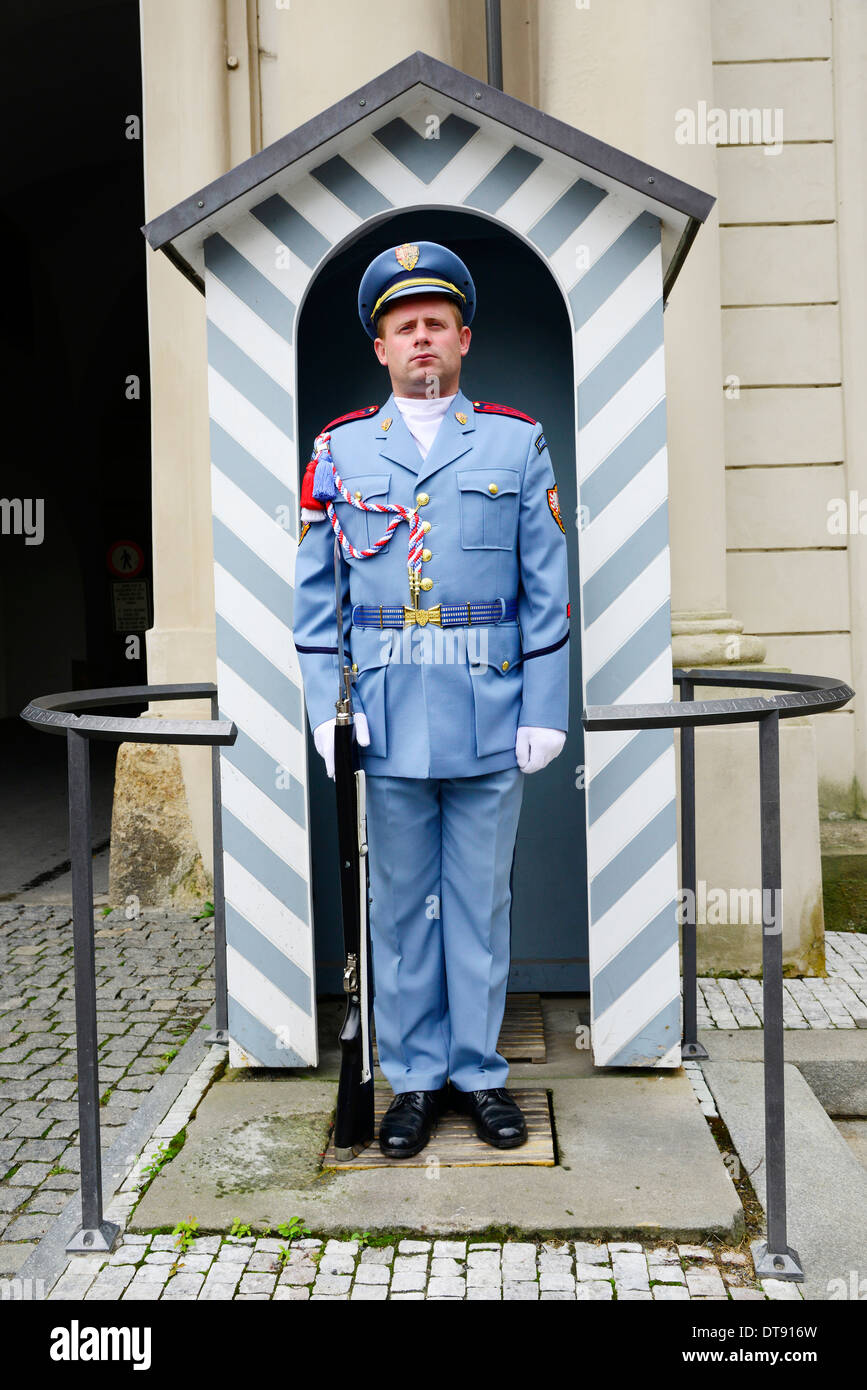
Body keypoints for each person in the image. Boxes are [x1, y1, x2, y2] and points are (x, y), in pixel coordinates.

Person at [293, 240, 569, 1158]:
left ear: (463, 339)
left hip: (492, 710)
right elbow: (317, 599)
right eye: (402, 326)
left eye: (435, 325)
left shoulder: (512, 440)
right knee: (401, 907)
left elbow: (544, 587)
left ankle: (478, 1076)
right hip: (386, 714)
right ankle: (411, 1081)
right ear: (380, 347)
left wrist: (543, 705)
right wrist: (326, 712)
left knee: (480, 901)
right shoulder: (337, 452)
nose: (420, 340)